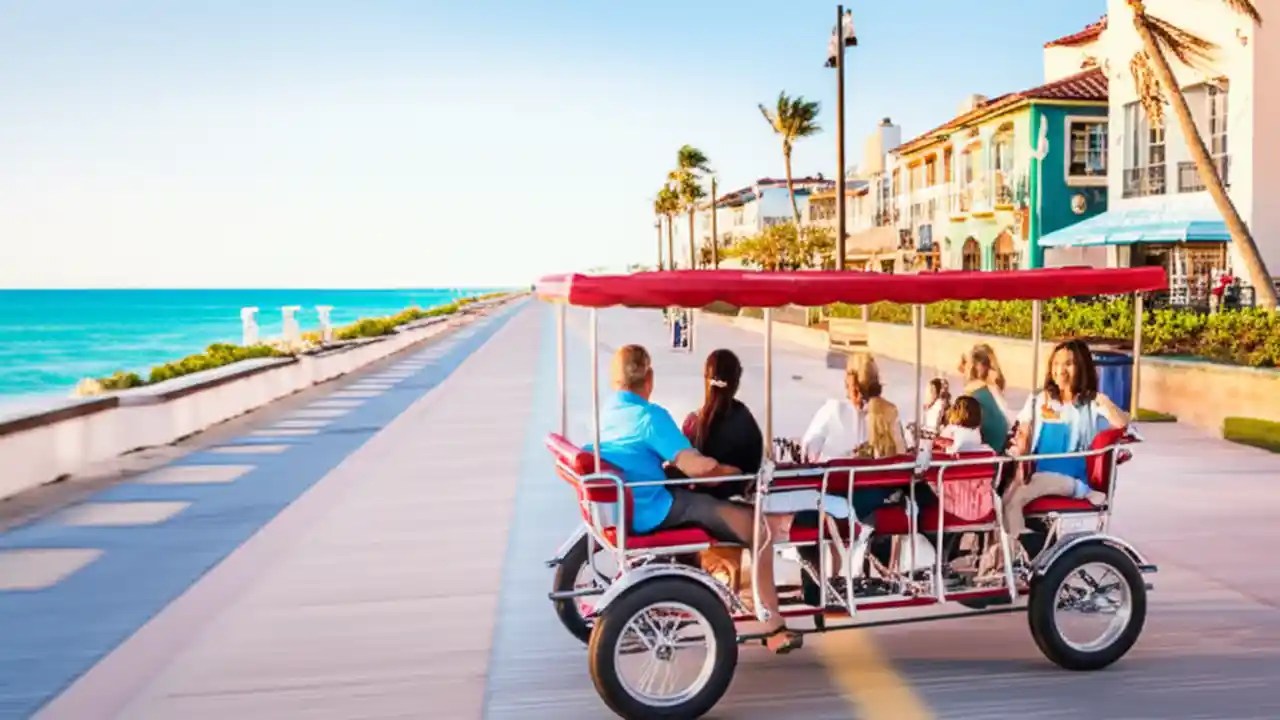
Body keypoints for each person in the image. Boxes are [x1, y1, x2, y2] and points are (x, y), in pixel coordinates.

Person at [590, 344, 801, 653]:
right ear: (649, 378)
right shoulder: (650, 417)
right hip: (655, 507)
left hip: (625, 503)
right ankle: (772, 625)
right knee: (761, 531)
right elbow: (701, 469)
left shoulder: (607, 411)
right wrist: (732, 471)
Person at [1003, 338, 1127, 539]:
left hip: (1072, 482)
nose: (1060, 370)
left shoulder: (1091, 405)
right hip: (1038, 476)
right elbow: (1024, 436)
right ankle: (1005, 555)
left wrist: (1100, 398)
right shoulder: (1038, 399)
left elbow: (1121, 423)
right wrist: (1017, 472)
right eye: (1056, 363)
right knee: (1002, 500)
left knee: (1015, 500)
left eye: (1068, 364)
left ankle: (1021, 551)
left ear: (1082, 367)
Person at [682, 349, 763, 500]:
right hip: (738, 504)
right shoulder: (745, 420)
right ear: (736, 382)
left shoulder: (692, 423)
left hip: (697, 504)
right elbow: (754, 468)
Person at [958, 344, 1011, 451]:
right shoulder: (992, 391)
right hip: (997, 451)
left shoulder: (972, 393)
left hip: (984, 455)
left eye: (964, 363)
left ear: (971, 367)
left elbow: (961, 426)